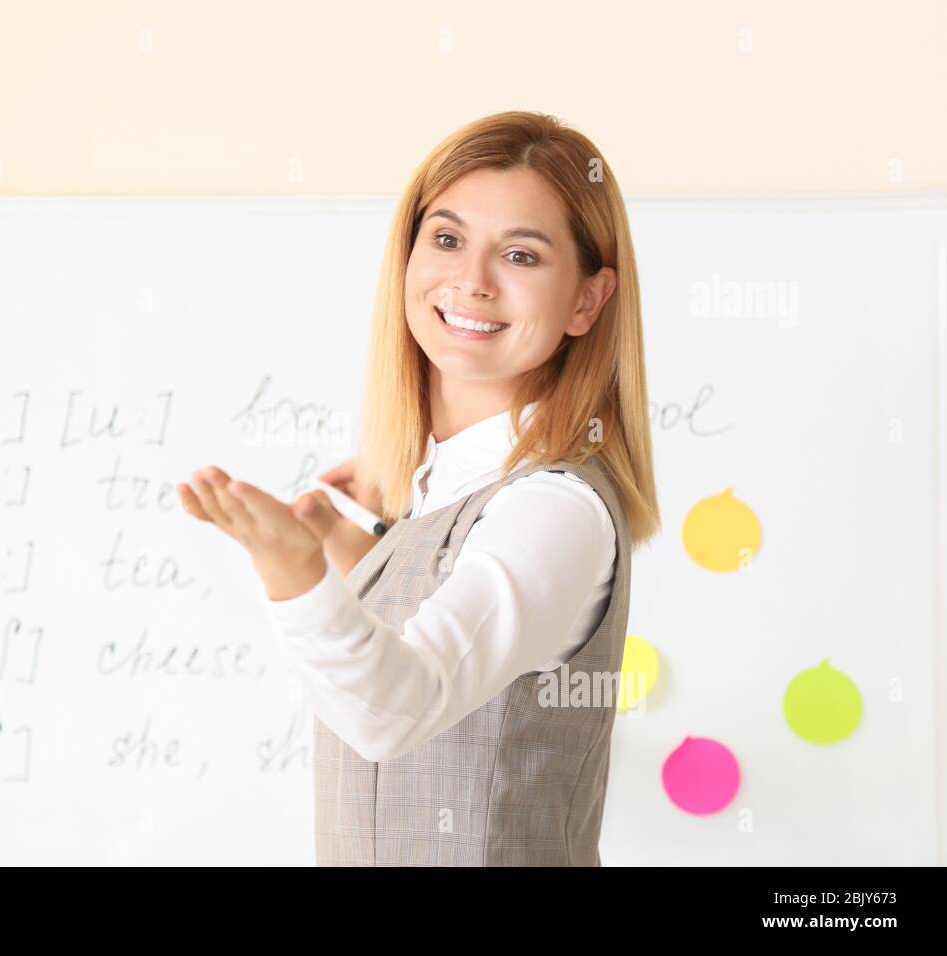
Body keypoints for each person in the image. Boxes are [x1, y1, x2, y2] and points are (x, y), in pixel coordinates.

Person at [177, 111, 660, 865]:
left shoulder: (553, 508)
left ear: (586, 302)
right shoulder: (441, 488)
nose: (471, 280)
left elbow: (396, 712)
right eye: (446, 239)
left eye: (522, 256)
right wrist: (358, 552)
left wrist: (292, 571)